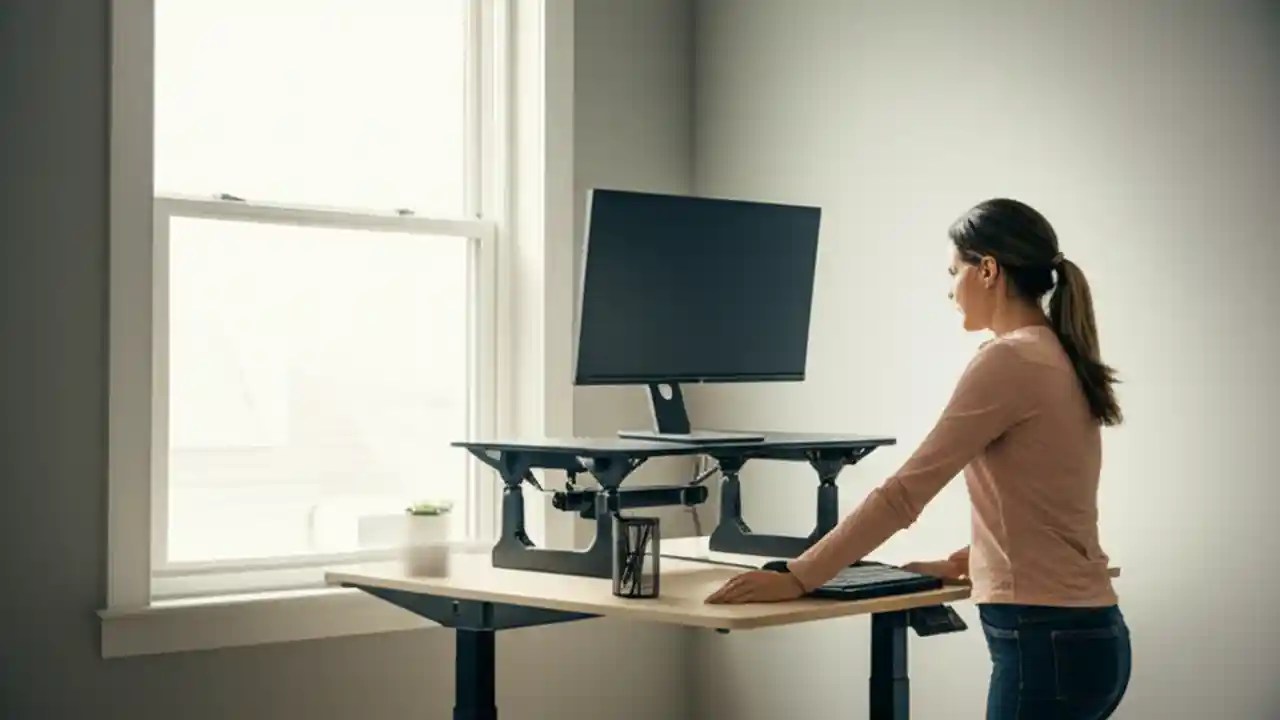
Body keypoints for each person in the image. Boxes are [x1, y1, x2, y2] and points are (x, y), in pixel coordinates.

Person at [704, 198, 1132, 719]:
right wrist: (967, 562)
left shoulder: (1009, 360)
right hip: (1093, 638)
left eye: (954, 272)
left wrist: (798, 576)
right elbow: (1046, 501)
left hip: (1045, 642)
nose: (949, 289)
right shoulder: (1057, 355)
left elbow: (905, 494)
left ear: (989, 269)